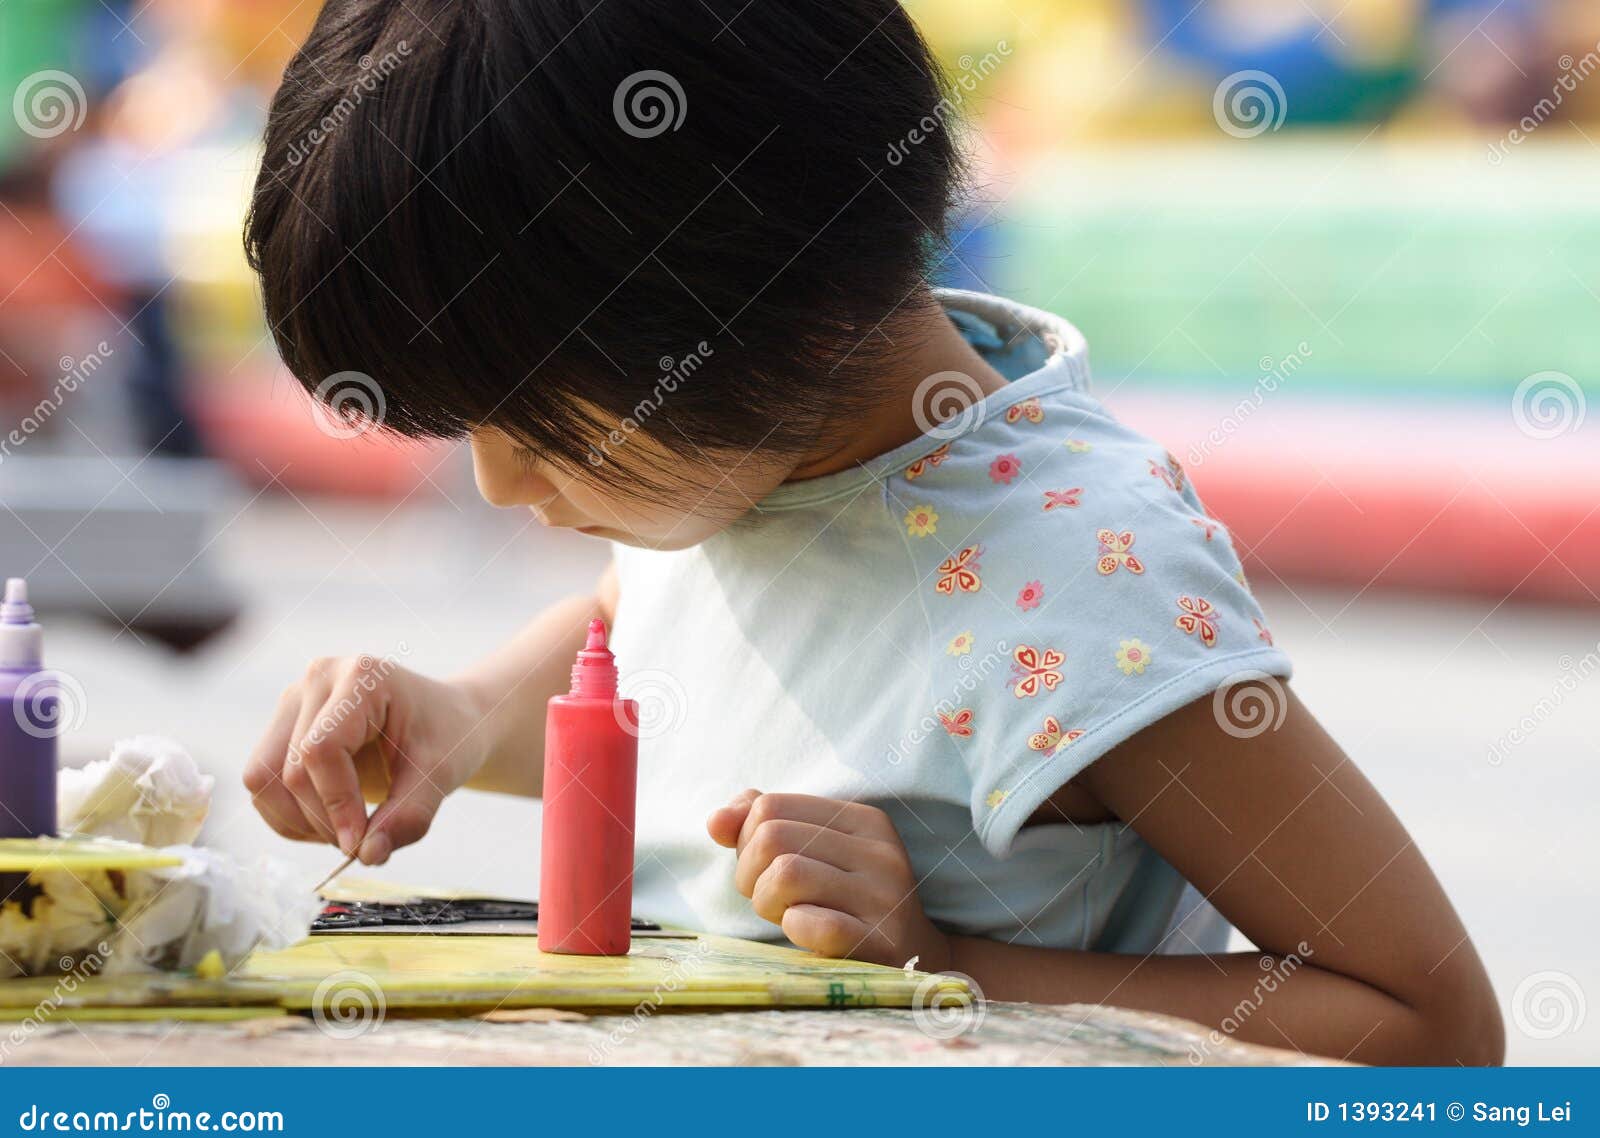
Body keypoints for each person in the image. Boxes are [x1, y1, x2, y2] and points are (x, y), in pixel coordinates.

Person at [241, 0, 1501, 1065]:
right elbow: (651, 628)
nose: (502, 483)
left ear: (739, 303)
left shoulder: (1072, 581)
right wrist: (458, 715)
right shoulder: (739, 469)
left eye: (530, 416)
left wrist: (951, 969)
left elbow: (1425, 1017)